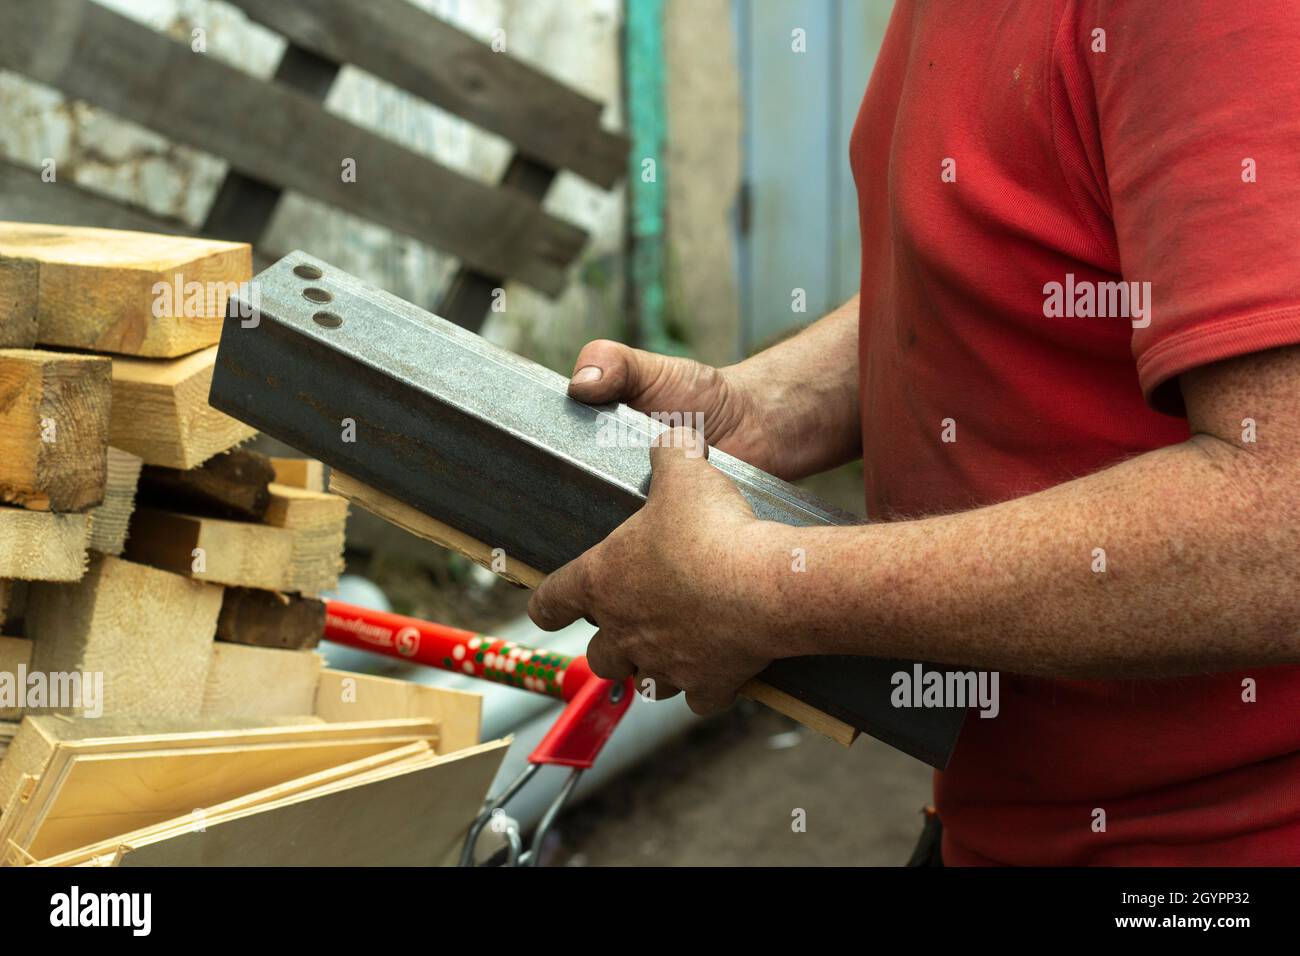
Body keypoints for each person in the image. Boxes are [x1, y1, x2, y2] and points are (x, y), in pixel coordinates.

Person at [528, 1, 1300, 865]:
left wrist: (766, 592)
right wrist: (767, 408)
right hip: (1002, 819)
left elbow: (1282, 523)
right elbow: (1027, 266)